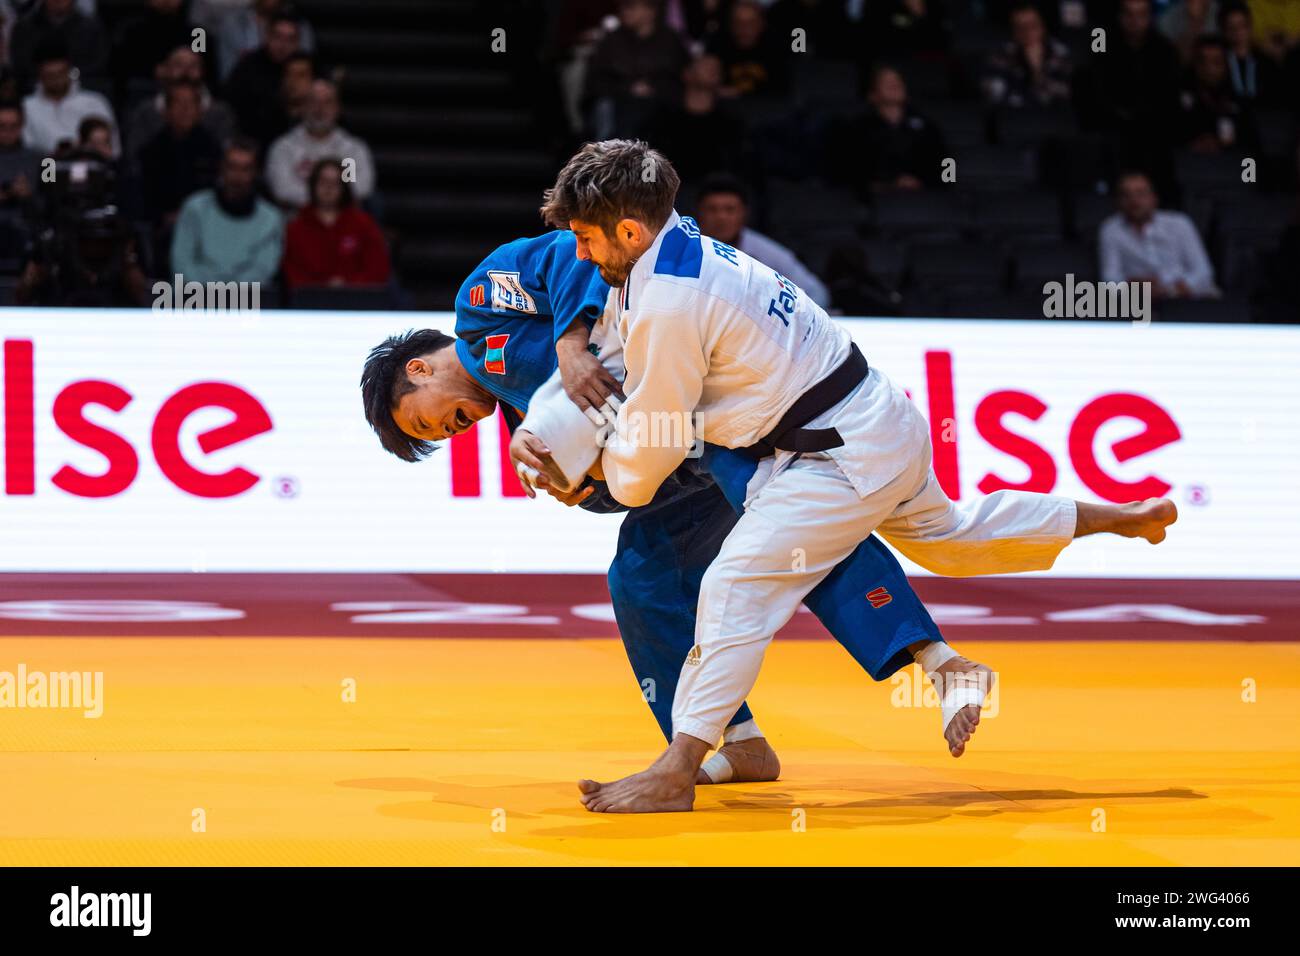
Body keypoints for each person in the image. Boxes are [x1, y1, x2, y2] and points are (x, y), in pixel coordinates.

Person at [515, 139, 1177, 812]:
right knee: (948, 536)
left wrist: (593, 482)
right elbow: (613, 361)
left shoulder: (673, 299)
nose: (579, 254)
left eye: (586, 238)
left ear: (630, 230)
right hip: (876, 421)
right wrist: (542, 433)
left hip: (839, 455)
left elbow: (651, 449)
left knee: (737, 582)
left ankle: (678, 767)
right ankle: (1112, 517)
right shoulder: (671, 253)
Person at [360, 229, 979, 786]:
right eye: (440, 438)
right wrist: (585, 491)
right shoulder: (519, 417)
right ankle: (737, 741)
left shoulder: (479, 303)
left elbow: (569, 253)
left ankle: (935, 658)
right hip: (681, 459)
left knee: (790, 522)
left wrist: (573, 346)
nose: (451, 431)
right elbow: (613, 485)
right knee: (639, 574)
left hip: (722, 412)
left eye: (429, 420)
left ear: (419, 368)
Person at [692, 173, 830, 307]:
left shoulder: (766, 252)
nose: (721, 217)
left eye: (730, 209)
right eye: (712, 209)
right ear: (699, 212)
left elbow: (816, 293)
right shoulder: (684, 245)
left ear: (744, 213)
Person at [170, 137, 283, 284]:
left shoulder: (270, 218)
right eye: (232, 167)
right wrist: (214, 291)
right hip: (194, 298)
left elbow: (262, 270)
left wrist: (229, 293)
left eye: (246, 169)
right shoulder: (194, 208)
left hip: (246, 300)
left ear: (256, 173)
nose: (237, 177)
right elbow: (181, 265)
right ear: (221, 169)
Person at [1099, 170, 1218, 298]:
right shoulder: (1111, 229)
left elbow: (1203, 272)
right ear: (1118, 201)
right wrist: (1135, 285)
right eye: (1126, 195)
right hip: (1137, 301)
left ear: (1154, 198)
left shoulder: (1179, 223)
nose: (1134, 201)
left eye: (1141, 194)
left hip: (1186, 299)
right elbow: (1110, 281)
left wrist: (1170, 290)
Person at [265, 78, 374, 209]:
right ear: (303, 107)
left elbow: (360, 188)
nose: (320, 108)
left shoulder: (350, 150)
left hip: (342, 222)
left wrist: (324, 199)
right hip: (297, 222)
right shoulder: (284, 148)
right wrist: (326, 198)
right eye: (313, 102)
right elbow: (283, 191)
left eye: (327, 102)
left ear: (338, 108)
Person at [282, 157, 389, 289]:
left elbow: (377, 268)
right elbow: (291, 270)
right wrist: (319, 289)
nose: (329, 187)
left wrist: (349, 287)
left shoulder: (363, 224)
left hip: (356, 299)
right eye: (323, 181)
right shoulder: (296, 227)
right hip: (309, 301)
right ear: (313, 185)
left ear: (344, 187)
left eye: (336, 182)